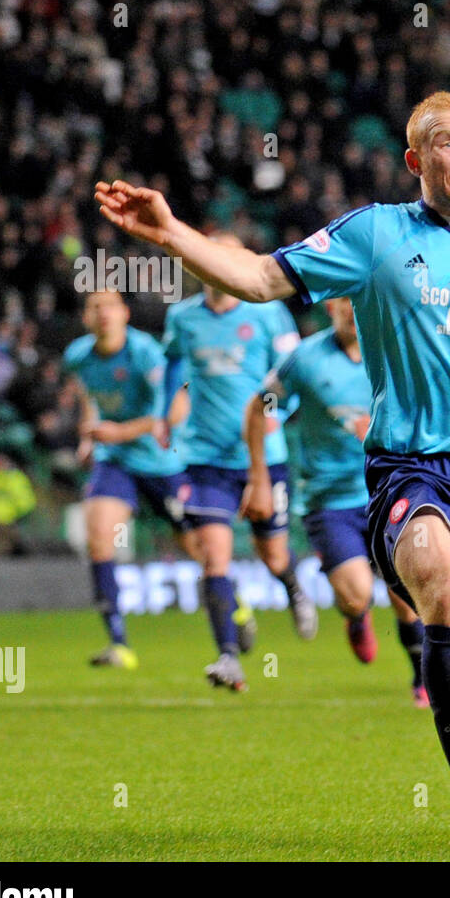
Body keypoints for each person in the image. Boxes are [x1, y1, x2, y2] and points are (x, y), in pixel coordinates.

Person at [94, 91, 450, 850]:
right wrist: (172, 232)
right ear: (416, 160)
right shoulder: (374, 236)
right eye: (446, 144)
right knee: (442, 586)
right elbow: (262, 279)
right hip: (414, 471)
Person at [243, 296, 429, 707]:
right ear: (330, 307)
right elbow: (261, 409)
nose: (351, 308)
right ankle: (356, 615)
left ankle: (422, 680)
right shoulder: (305, 360)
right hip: (329, 500)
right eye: (342, 300)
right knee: (356, 592)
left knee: (408, 596)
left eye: (360, 298)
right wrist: (258, 475)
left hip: (392, 491)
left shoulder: (399, 353)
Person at [161, 237, 318, 692]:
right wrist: (163, 411)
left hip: (262, 460)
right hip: (205, 456)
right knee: (213, 557)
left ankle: (291, 585)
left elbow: (294, 372)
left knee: (273, 555)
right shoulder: (183, 317)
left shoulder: (269, 312)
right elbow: (172, 364)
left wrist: (279, 416)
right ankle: (228, 657)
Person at [64, 287, 200, 668]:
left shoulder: (144, 354)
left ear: (124, 313)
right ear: (86, 318)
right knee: (99, 538)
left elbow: (177, 409)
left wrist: (120, 432)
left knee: (195, 547)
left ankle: (231, 603)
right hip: (115, 462)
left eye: (109, 305)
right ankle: (118, 643)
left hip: (160, 463)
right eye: (94, 307)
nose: (102, 313)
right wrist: (87, 436)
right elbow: (89, 397)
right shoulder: (77, 356)